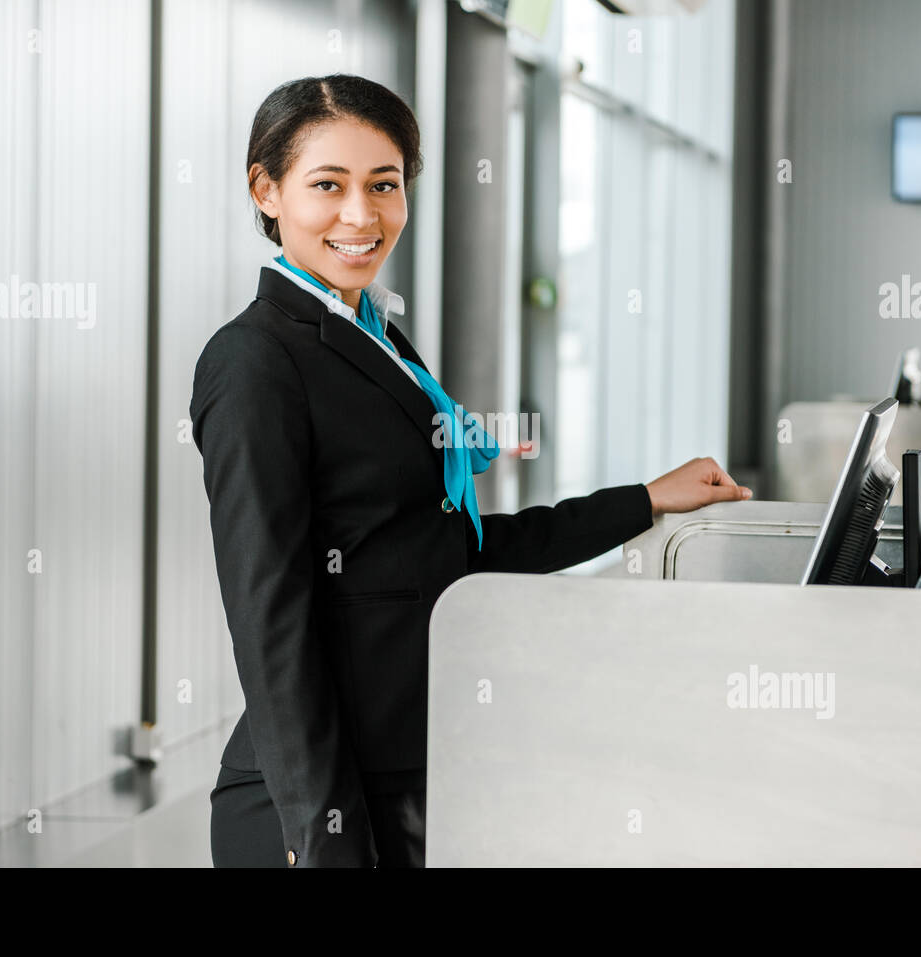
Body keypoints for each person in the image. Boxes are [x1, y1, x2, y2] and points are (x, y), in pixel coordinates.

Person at [190, 73, 752, 868]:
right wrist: (320, 831)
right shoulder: (255, 360)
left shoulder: (375, 339)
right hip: (319, 804)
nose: (362, 215)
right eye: (329, 185)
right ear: (267, 188)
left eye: (384, 185)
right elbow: (269, 618)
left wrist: (645, 500)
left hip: (415, 768)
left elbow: (453, 552)